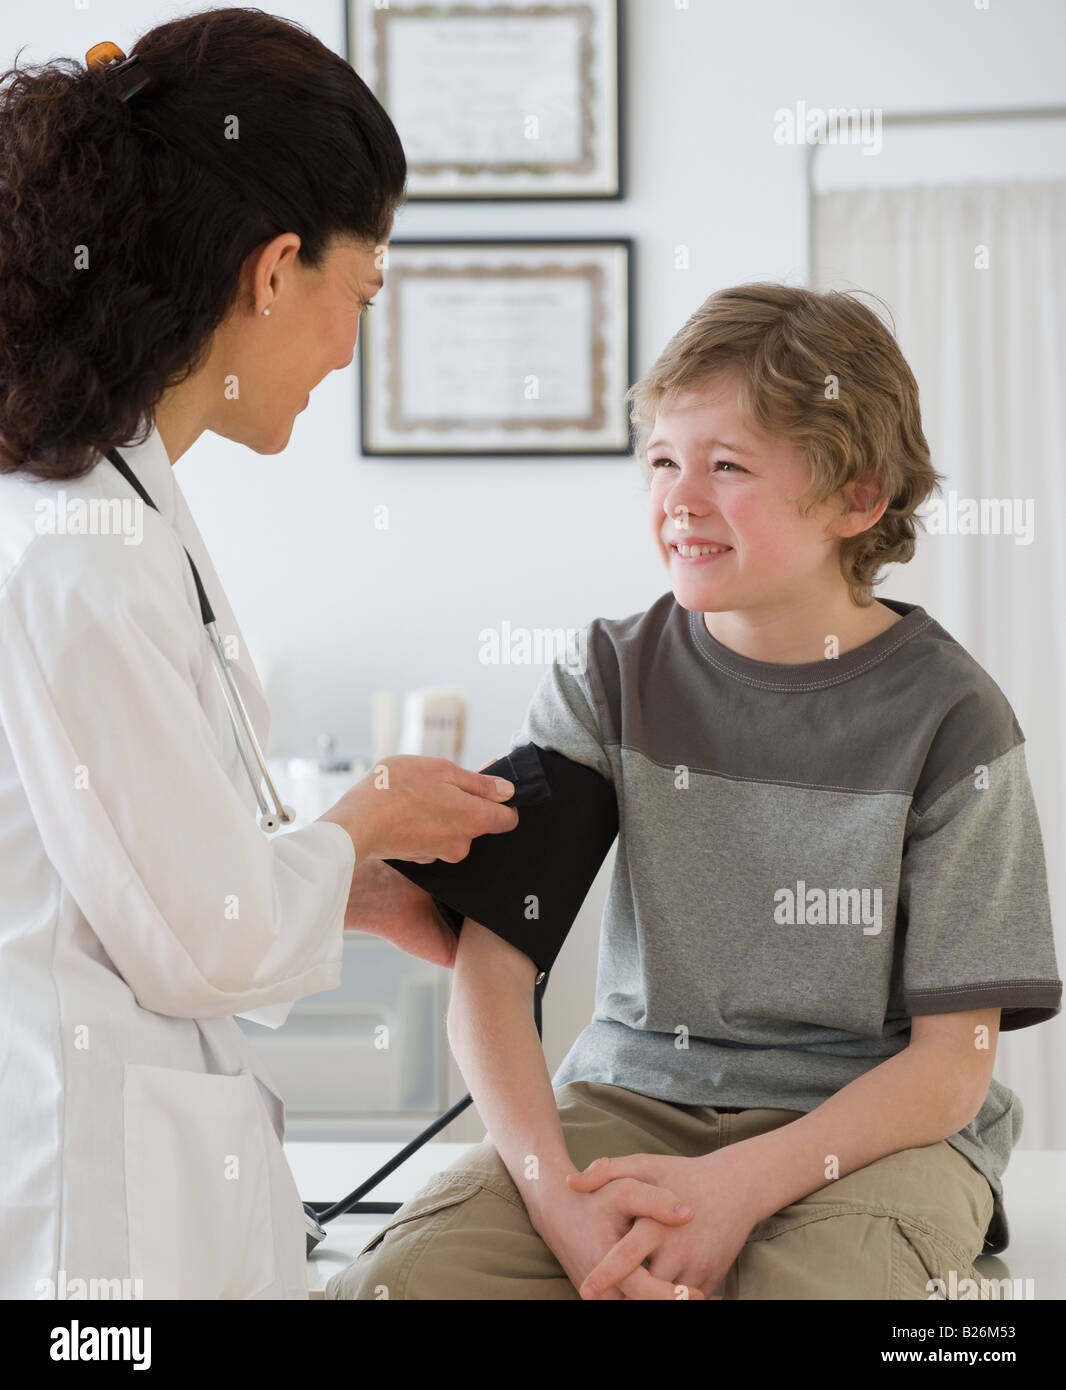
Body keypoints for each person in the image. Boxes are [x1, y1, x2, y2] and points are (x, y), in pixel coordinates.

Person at [327, 282, 1062, 1301]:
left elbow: (952, 1065)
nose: (679, 500)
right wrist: (558, 1207)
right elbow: (490, 977)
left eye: (727, 466)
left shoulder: (953, 721)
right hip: (631, 1100)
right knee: (393, 1285)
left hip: (866, 1131)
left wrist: (735, 1188)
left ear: (859, 494)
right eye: (664, 462)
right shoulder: (608, 678)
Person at [0, 9, 517, 1301]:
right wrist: (359, 822)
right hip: (88, 1216)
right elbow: (196, 942)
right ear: (275, 268)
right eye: (363, 293)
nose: (349, 348)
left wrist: (349, 878)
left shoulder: (110, 501)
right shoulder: (81, 548)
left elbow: (140, 880)